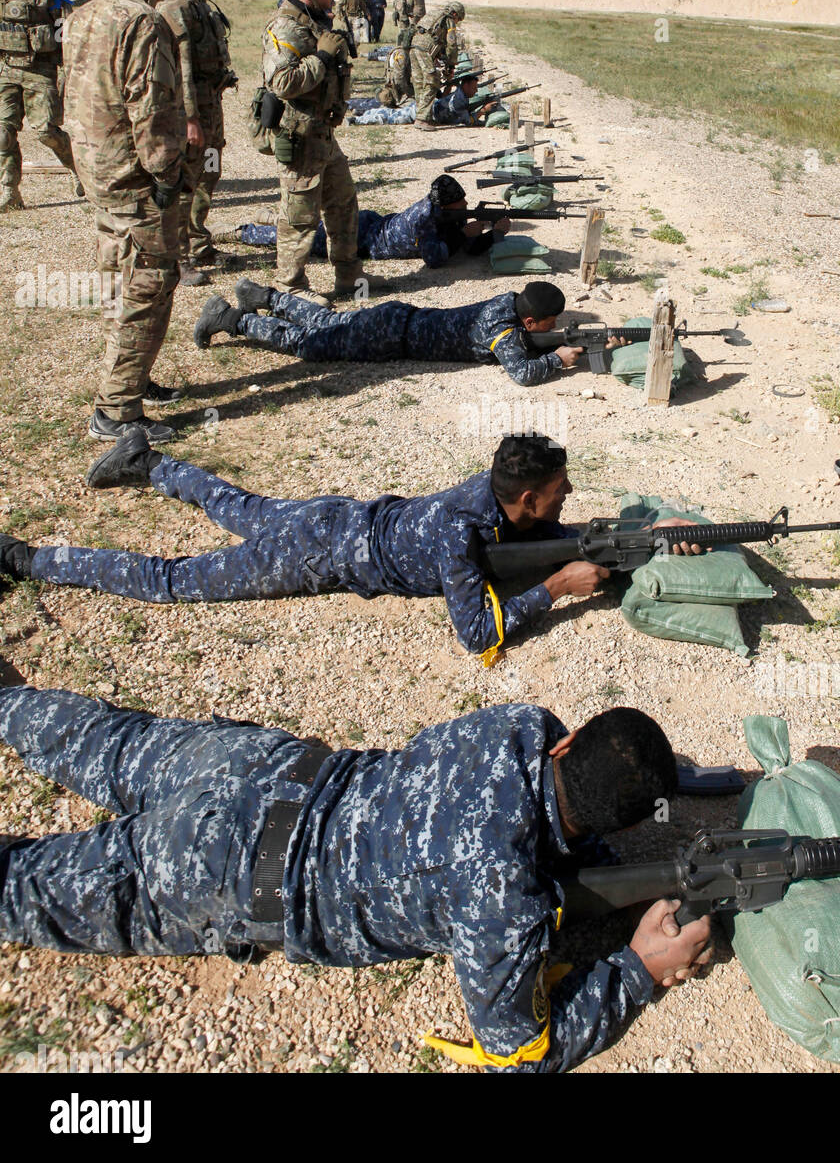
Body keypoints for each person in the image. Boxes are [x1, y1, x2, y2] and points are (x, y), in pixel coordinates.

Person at [0, 690, 713, 1072]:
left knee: (107, 739)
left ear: (566, 743)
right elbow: (518, 1055)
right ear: (606, 832)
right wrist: (639, 969)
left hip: (262, 764)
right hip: (225, 868)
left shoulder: (521, 726)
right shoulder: (502, 899)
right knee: (25, 889)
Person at [0, 434, 703, 660]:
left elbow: (552, 537)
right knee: (176, 581)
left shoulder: (493, 495)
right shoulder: (458, 536)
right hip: (314, 555)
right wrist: (554, 590)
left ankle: (150, 463)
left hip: (336, 516)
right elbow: (477, 636)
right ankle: (30, 559)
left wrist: (646, 542)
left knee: (238, 505)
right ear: (524, 499)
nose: (567, 497)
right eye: (559, 491)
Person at [62, 0, 185, 445]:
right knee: (151, 284)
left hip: (97, 171)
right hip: (134, 178)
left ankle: (133, 376)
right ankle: (116, 410)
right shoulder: (144, 21)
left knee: (120, 277)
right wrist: (166, 175)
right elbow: (151, 110)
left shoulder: (82, 14)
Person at [194, 278, 596, 387]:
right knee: (310, 344)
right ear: (529, 323)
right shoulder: (503, 332)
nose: (555, 327)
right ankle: (234, 319)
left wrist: (560, 339)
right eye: (551, 322)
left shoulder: (508, 301)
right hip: (388, 339)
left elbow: (519, 339)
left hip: (397, 318)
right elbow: (523, 374)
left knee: (329, 323)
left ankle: (265, 296)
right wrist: (556, 360)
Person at [262, 0, 364, 304]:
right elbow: (282, 83)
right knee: (299, 216)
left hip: (323, 135)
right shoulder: (286, 27)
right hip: (301, 138)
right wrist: (320, 58)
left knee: (343, 204)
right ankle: (290, 285)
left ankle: (349, 276)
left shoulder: (314, 21)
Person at [155, 0, 237, 287]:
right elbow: (183, 68)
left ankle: (200, 243)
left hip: (209, 104)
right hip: (192, 109)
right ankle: (179, 258)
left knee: (209, 174)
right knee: (187, 181)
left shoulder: (197, 2)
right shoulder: (175, 3)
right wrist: (190, 119)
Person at [0, 0, 82, 210]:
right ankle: (10, 192)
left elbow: (61, 26)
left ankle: (78, 167)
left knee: (46, 132)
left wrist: (65, 65)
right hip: (8, 70)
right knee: (3, 133)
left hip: (40, 69)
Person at [356, 174, 509, 268]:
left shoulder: (449, 213)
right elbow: (433, 259)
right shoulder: (424, 218)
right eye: (459, 201)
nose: (465, 204)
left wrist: (495, 233)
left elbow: (468, 247)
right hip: (367, 239)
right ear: (444, 206)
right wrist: (463, 234)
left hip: (379, 221)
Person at [410, 0, 464, 129]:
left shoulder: (434, 14)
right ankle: (422, 119)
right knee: (432, 81)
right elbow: (451, 44)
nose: (457, 22)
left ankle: (422, 115)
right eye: (458, 19)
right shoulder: (449, 20)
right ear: (455, 14)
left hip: (413, 48)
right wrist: (451, 63)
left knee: (419, 83)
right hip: (424, 51)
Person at [376, 26, 414, 107]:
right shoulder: (402, 54)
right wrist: (408, 92)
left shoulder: (394, 51)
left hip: (394, 88)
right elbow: (399, 77)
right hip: (398, 91)